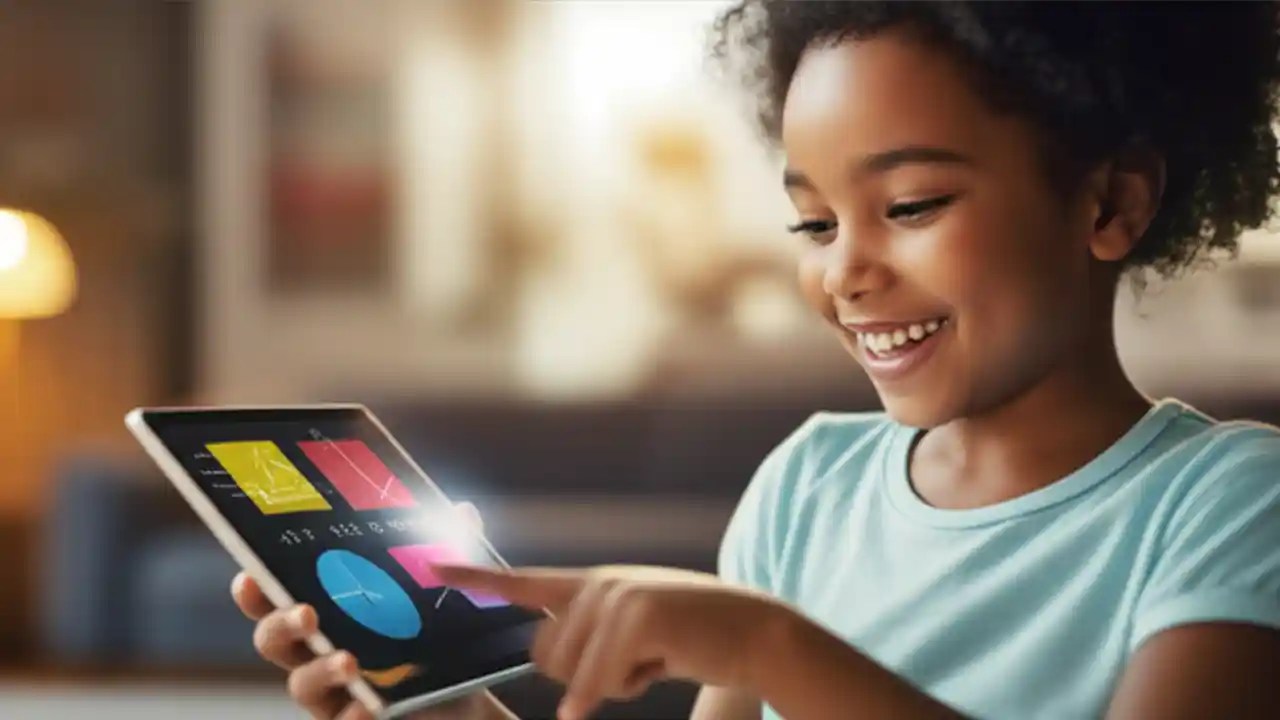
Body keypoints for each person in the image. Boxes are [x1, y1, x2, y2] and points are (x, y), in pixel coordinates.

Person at [233, 2, 1280, 718]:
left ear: (1109, 202)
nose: (846, 272)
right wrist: (449, 705)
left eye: (908, 207)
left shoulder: (1226, 505)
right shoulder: (807, 487)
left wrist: (771, 649)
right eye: (813, 225)